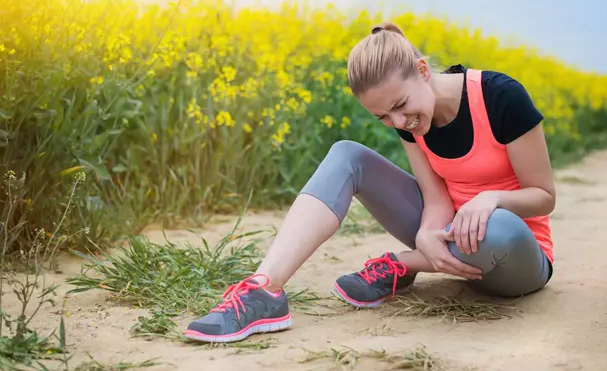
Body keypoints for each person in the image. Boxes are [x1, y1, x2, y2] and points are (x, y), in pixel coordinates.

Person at [184, 22, 556, 343]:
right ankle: (264, 290)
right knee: (347, 154)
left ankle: (404, 263)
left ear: (423, 71)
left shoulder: (501, 97)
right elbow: (437, 197)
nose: (398, 122)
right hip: (449, 239)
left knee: (496, 227)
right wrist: (428, 231)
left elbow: (543, 197)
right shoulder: (411, 122)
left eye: (401, 105)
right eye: (383, 116)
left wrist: (490, 199)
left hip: (516, 255)